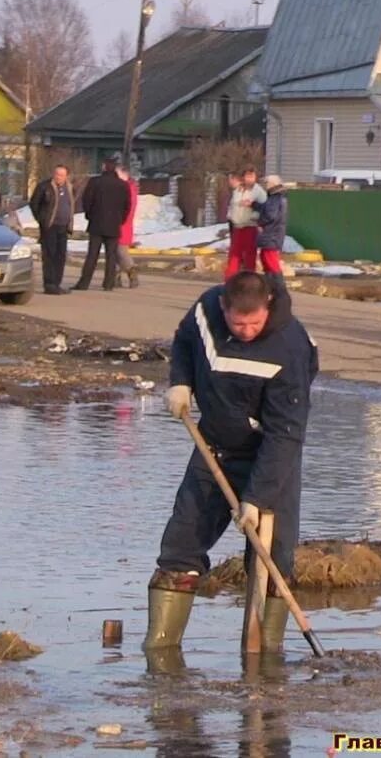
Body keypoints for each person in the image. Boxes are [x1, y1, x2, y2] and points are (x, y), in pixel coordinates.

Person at [143, 271, 318, 654]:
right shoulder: (207, 309)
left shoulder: (290, 348)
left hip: (268, 457)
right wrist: (181, 382)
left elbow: (286, 434)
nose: (246, 331)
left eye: (254, 323)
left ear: (267, 306)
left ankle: (263, 655)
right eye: (239, 324)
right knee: (180, 545)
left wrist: (256, 497)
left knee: (272, 559)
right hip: (214, 447)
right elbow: (187, 340)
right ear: (224, 307)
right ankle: (160, 650)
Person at [73, 157, 133, 291]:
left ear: (104, 167)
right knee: (111, 256)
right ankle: (108, 283)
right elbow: (127, 206)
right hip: (114, 225)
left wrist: (90, 216)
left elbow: (86, 201)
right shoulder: (123, 185)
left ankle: (84, 283)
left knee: (92, 255)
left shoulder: (95, 182)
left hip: (96, 223)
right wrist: (120, 220)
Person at [28, 165, 77, 294]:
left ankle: (57, 283)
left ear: (66, 176)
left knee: (60, 256)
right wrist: (42, 219)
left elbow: (71, 204)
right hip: (49, 226)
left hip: (63, 226)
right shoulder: (44, 187)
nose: (59, 177)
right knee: (49, 255)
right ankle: (49, 284)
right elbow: (34, 204)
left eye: (62, 175)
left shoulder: (69, 187)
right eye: (57, 174)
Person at [225, 168, 267, 279]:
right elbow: (233, 205)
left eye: (252, 176)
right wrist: (231, 217)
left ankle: (249, 278)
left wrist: (254, 216)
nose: (249, 179)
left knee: (249, 254)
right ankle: (230, 279)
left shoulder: (258, 191)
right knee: (234, 254)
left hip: (250, 226)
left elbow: (264, 208)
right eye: (247, 176)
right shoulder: (238, 190)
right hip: (237, 225)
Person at [256, 175, 288, 275]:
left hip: (271, 236)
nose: (265, 185)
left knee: (272, 265)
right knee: (266, 261)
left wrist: (259, 222)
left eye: (266, 183)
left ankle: (279, 290)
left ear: (272, 184)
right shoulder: (277, 197)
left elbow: (270, 215)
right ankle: (270, 287)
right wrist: (254, 205)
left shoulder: (275, 197)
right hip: (273, 236)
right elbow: (267, 209)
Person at [115, 164, 140, 288]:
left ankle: (132, 272)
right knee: (114, 251)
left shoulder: (128, 189)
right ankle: (115, 276)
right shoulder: (128, 187)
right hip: (121, 224)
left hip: (122, 224)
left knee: (121, 251)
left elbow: (128, 209)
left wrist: (119, 221)